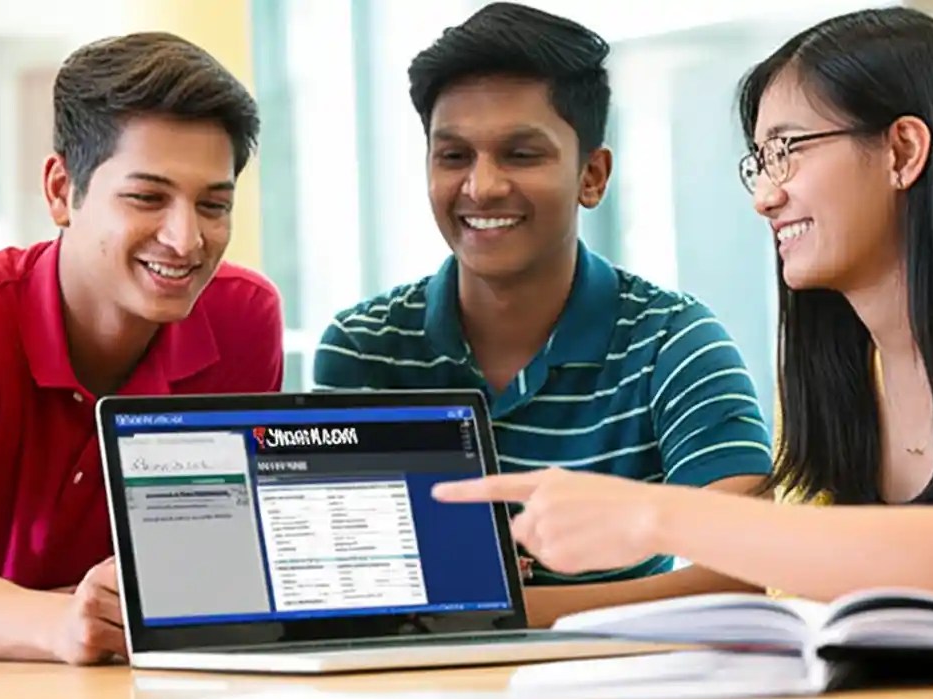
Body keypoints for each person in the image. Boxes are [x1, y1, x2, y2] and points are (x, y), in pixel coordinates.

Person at [433, 0, 933, 646]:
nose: (764, 195)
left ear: (902, 152)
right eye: (760, 160)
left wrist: (653, 514)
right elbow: (801, 612)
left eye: (790, 152)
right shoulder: (831, 364)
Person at [314, 2, 772, 627]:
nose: (482, 186)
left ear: (592, 175)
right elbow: (348, 580)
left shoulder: (674, 342)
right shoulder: (365, 348)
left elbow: (743, 570)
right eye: (453, 156)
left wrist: (500, 613)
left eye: (521, 154)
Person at [0, 32, 283, 665]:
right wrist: (62, 622)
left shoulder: (242, 316)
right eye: (147, 197)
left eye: (213, 205)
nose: (186, 240)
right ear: (59, 191)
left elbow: (207, 573)